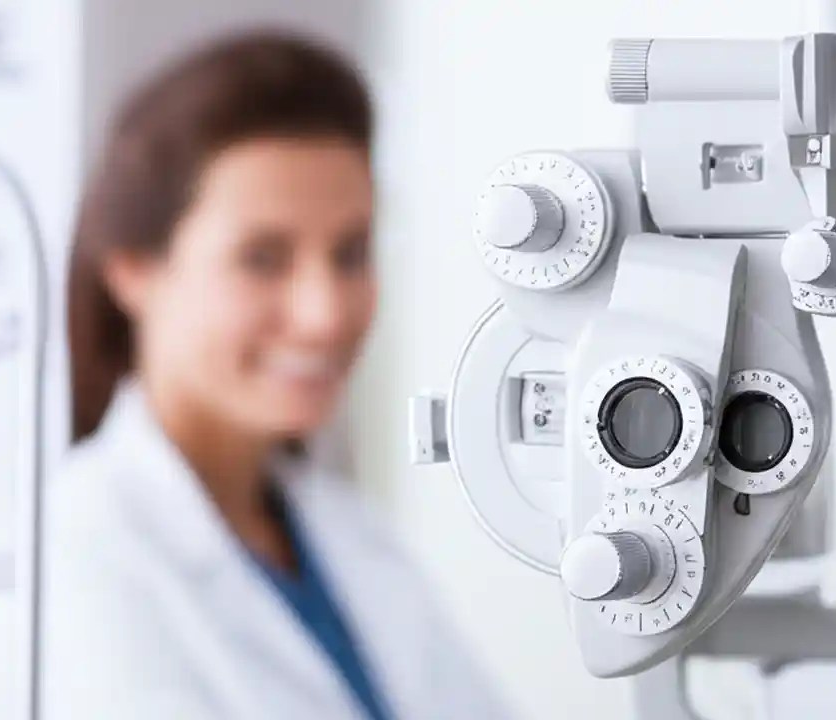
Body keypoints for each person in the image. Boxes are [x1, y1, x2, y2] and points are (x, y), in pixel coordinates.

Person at [42, 31, 510, 720]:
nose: (325, 314)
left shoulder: (347, 533)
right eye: (263, 258)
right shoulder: (64, 558)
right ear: (134, 272)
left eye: (351, 253)